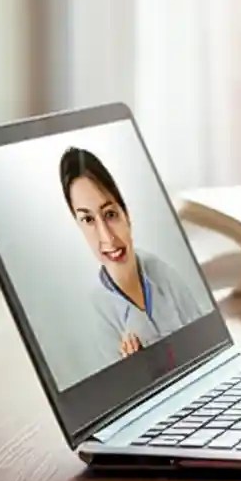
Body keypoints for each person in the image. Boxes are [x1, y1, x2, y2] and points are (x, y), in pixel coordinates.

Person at [60, 147, 205, 364]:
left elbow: (206, 346)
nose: (107, 237)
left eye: (110, 214)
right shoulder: (96, 318)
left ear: (126, 215)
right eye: (88, 220)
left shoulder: (161, 272)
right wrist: (136, 373)